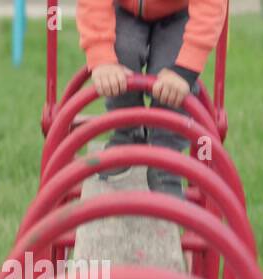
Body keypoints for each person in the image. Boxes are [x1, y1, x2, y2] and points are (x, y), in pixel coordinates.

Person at [77, 0, 228, 198]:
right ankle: (128, 130)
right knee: (121, 52)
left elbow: (210, 6)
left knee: (172, 78)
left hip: (179, 13)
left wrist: (185, 69)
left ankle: (167, 157)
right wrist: (101, 56)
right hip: (125, 10)